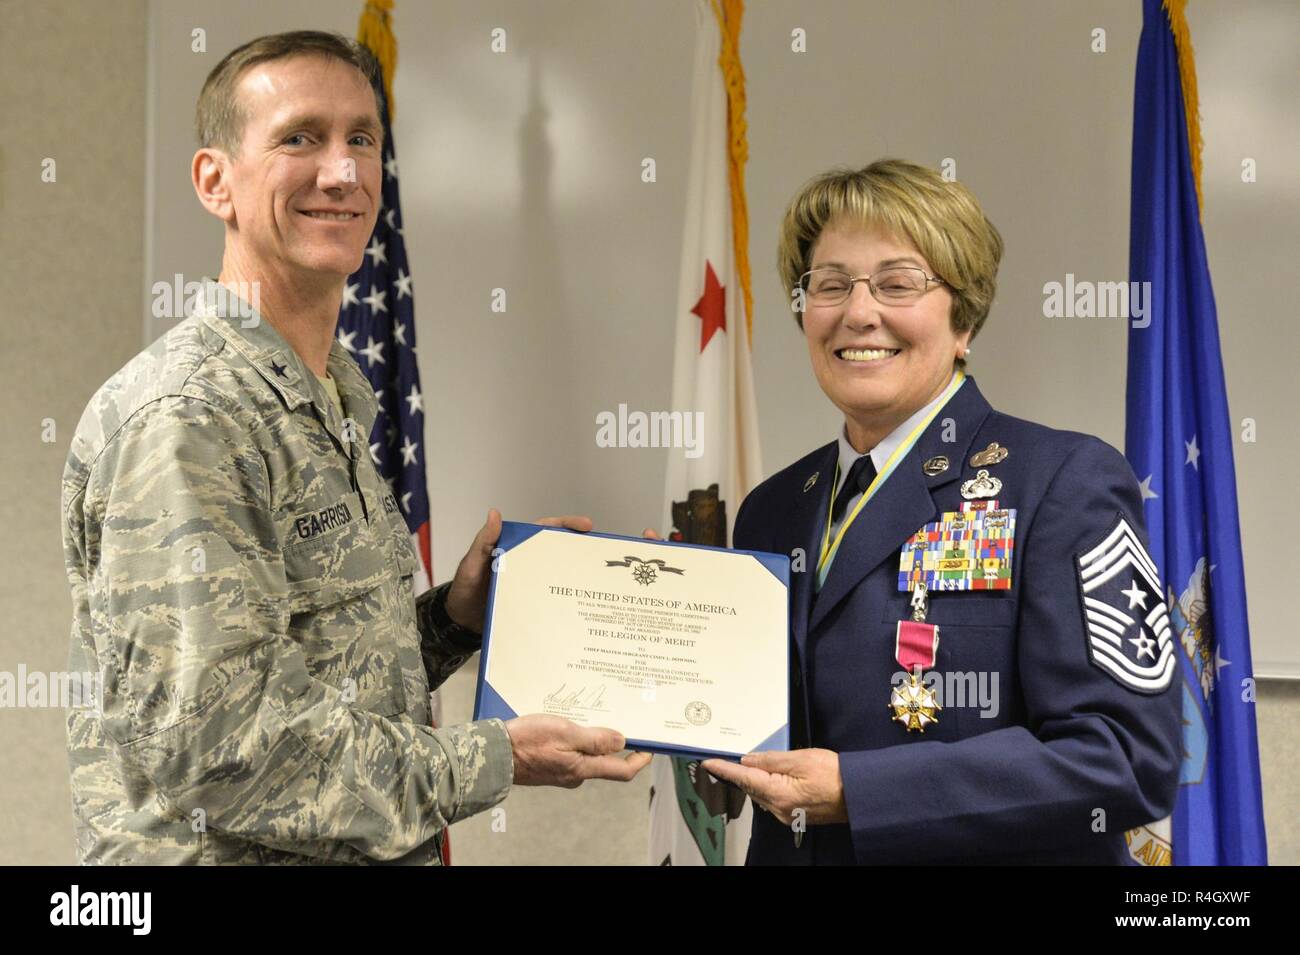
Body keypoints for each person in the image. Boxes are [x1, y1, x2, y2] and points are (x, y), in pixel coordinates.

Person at [60, 31, 648, 865]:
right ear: (215, 181)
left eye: (361, 139)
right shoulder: (189, 418)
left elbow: (328, 673)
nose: (342, 172)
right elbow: (223, 747)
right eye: (300, 137)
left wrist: (454, 618)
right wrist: (495, 757)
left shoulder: (325, 395)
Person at [702, 159, 1181, 864]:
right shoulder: (772, 509)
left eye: (897, 283)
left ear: (965, 319)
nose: (858, 312)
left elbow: (1127, 758)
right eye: (829, 284)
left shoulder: (1061, 481)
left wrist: (860, 792)